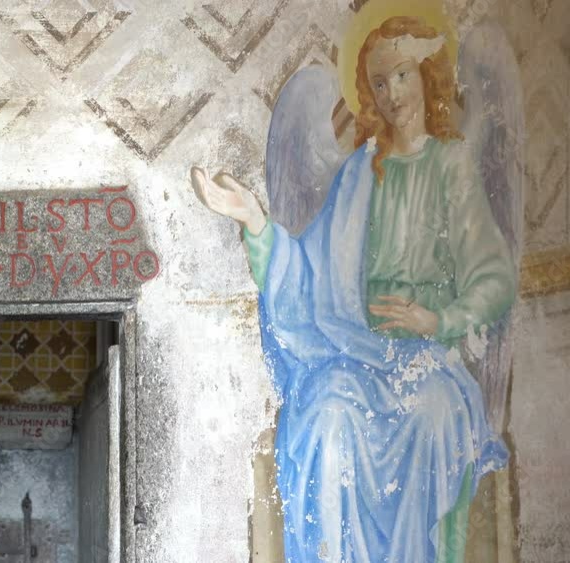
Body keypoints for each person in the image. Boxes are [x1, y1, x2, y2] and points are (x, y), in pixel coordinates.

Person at [191, 16, 517, 563]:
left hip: (426, 359)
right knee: (325, 415)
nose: (393, 93)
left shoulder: (451, 164)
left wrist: (438, 320)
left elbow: (496, 278)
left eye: (403, 75)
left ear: (427, 75)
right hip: (351, 353)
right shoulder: (359, 172)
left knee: (434, 414)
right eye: (380, 82)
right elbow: (307, 272)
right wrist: (256, 221)